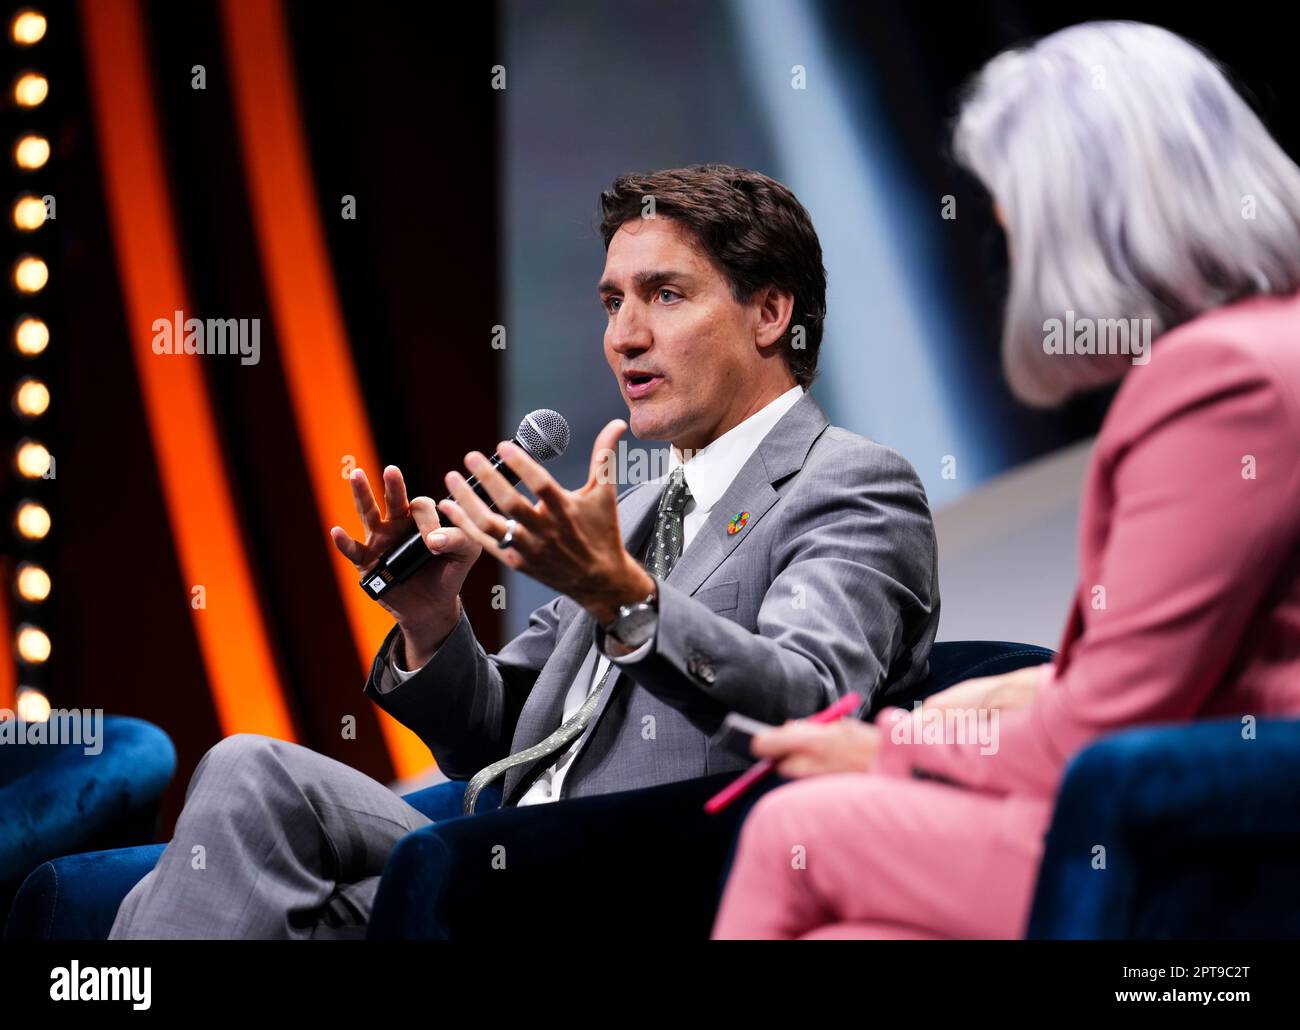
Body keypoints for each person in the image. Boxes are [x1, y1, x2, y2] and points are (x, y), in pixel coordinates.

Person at [109, 164, 940, 939]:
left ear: (771, 313)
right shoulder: (644, 503)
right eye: (613, 302)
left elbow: (817, 706)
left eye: (665, 295)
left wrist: (625, 600)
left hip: (637, 873)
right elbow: (502, 732)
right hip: (492, 851)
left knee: (221, 844)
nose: (625, 336)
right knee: (239, 798)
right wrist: (433, 621)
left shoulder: (853, 483)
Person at [712, 21, 1300, 940]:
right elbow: (1183, 668)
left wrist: (887, 746)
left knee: (797, 826)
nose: (1012, 255)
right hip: (1213, 811)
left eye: (1015, 225)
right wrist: (985, 707)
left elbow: (1101, 732)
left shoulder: (1218, 381)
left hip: (1217, 847)